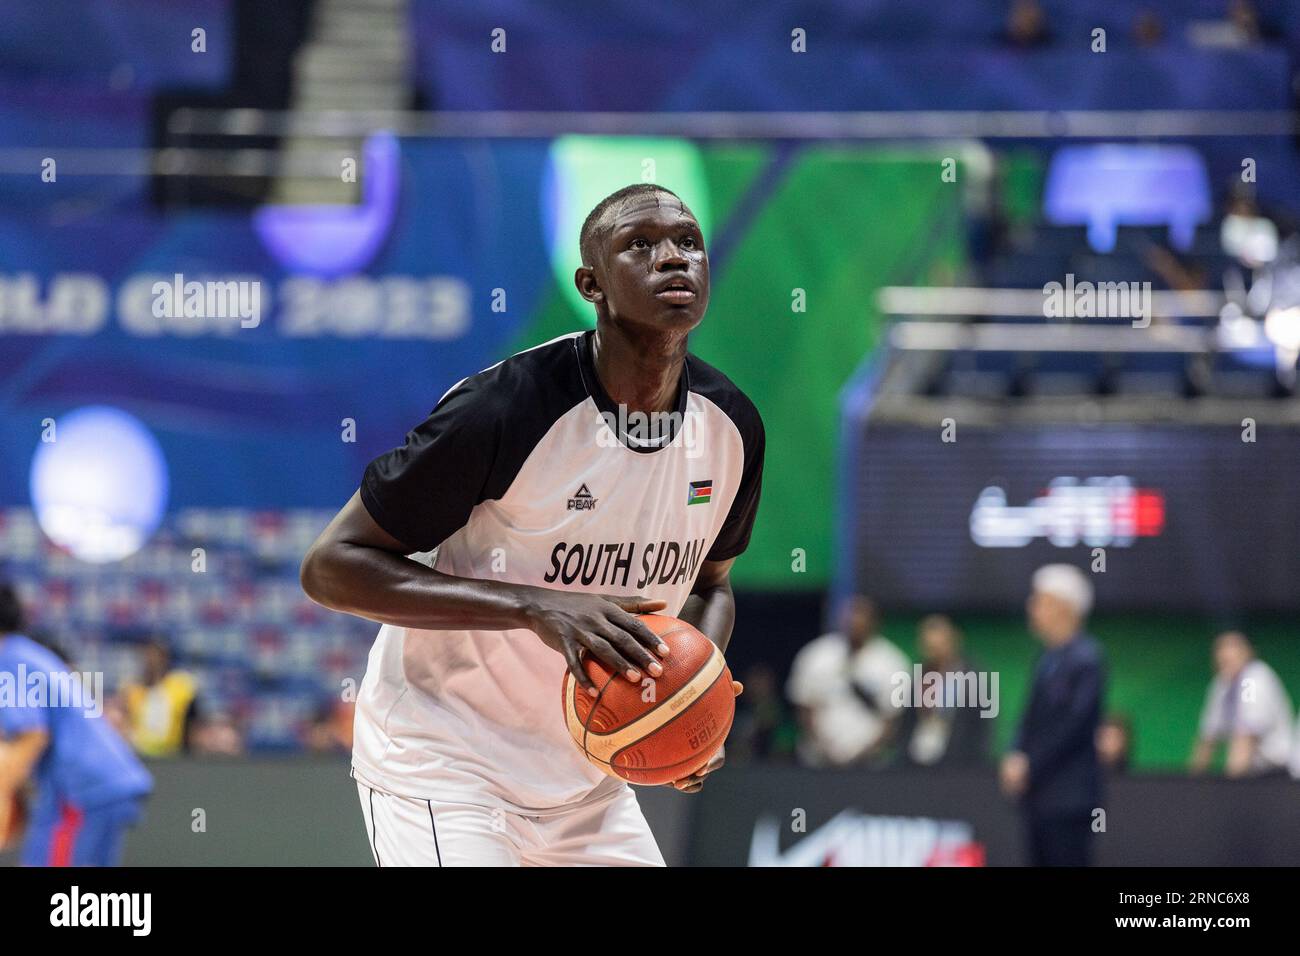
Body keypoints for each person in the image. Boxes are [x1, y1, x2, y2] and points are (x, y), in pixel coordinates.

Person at [301, 184, 763, 867]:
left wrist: (697, 693)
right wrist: (531, 605)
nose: (673, 259)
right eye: (640, 246)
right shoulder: (504, 410)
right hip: (445, 759)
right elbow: (331, 566)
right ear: (592, 284)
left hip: (586, 778)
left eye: (687, 243)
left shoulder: (732, 429)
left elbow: (712, 587)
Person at [0, 582, 152, 866]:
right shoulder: (24, 653)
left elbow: (32, 736)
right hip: (96, 787)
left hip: (81, 790)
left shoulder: (7, 658)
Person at [1000, 565, 1105, 867]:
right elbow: (1030, 718)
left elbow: (1073, 725)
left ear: (1065, 608)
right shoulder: (1046, 660)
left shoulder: (1087, 659)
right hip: (1040, 797)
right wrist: (1015, 753)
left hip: (1070, 800)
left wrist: (1029, 762)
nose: (1032, 608)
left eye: (1040, 601)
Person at [785, 595, 909, 767]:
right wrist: (825, 749)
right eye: (851, 615)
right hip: (819, 758)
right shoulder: (816, 654)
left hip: (870, 762)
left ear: (874, 622)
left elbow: (892, 719)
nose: (855, 622)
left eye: (862, 616)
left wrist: (862, 755)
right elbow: (804, 706)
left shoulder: (892, 662)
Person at [1189, 631, 1293, 778]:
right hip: (1249, 776)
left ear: (1248, 653)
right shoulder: (1222, 684)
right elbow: (1207, 739)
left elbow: (1245, 738)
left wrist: (1231, 789)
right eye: (1221, 650)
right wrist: (1191, 786)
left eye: (1233, 648)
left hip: (1274, 776)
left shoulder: (1253, 680)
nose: (1225, 655)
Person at [897, 614, 990, 769]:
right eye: (928, 647)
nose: (933, 651)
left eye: (938, 645)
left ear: (954, 640)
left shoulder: (975, 678)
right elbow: (907, 723)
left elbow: (982, 728)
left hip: (957, 767)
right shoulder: (918, 677)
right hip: (915, 765)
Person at [117, 640, 199, 757]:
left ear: (165, 658)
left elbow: (192, 721)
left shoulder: (181, 685)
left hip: (174, 753)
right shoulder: (132, 690)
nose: (151, 661)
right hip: (140, 753)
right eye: (147, 656)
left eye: (156, 656)